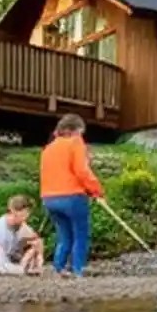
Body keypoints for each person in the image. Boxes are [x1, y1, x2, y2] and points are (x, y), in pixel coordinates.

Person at [40, 113, 105, 278]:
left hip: (49, 198)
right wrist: (97, 191)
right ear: (74, 131)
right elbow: (82, 171)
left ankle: (58, 268)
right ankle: (77, 270)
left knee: (64, 236)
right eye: (81, 132)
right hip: (72, 196)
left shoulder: (48, 148)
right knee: (80, 233)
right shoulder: (75, 143)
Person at [0, 195, 43, 275]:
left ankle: (29, 267)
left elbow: (30, 239)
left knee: (36, 243)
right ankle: (20, 269)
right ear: (13, 211)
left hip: (6, 257)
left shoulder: (20, 226)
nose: (26, 217)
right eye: (23, 214)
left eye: (27, 214)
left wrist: (32, 245)